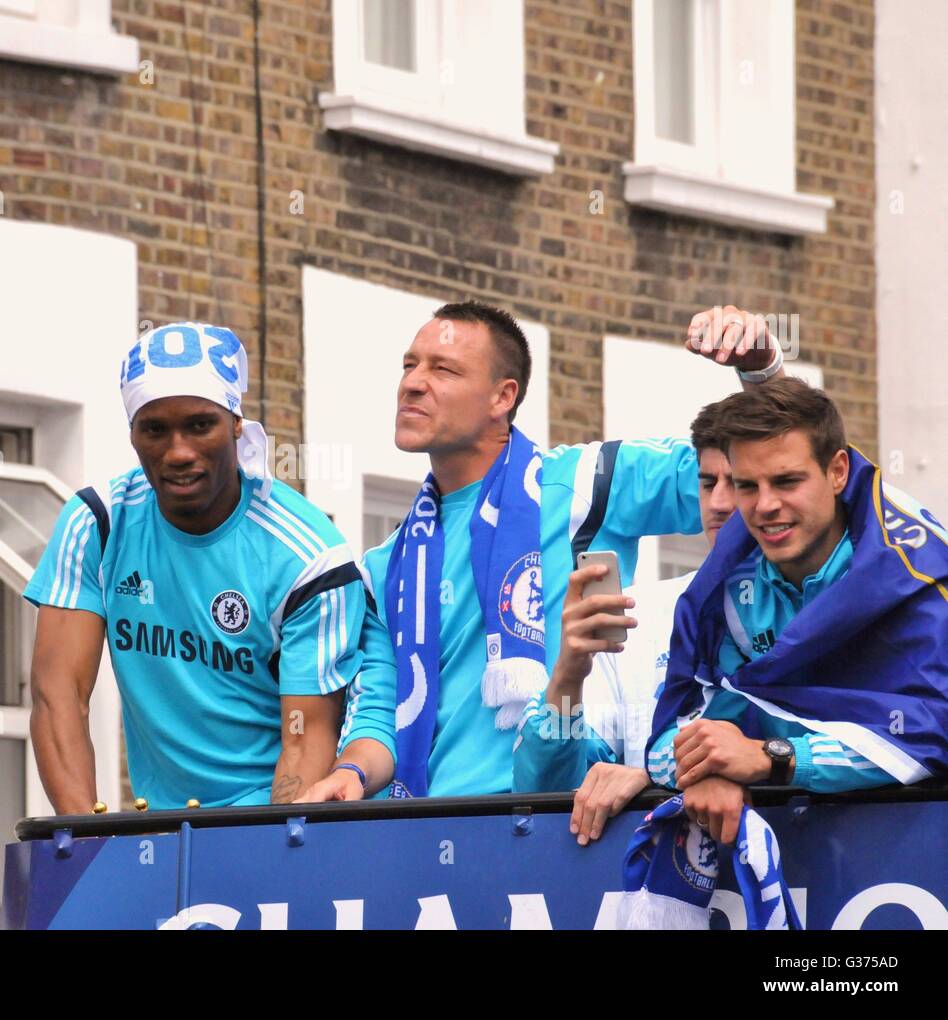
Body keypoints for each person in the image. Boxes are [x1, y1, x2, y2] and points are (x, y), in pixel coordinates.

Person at [301, 302, 786, 801]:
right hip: (424, 832)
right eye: (409, 365)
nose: (413, 383)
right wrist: (350, 774)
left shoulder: (586, 482)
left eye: (442, 369)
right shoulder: (387, 565)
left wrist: (761, 373)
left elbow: (765, 479)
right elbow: (379, 710)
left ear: (502, 397)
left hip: (560, 827)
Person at [23, 322, 395, 812]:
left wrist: (265, 847)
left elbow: (304, 739)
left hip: (270, 817)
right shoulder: (98, 523)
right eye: (154, 429)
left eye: (200, 425)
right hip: (159, 822)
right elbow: (59, 697)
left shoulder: (308, 555)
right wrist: (81, 839)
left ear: (236, 424)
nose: (178, 452)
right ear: (132, 433)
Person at [648, 378, 948, 845]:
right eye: (748, 486)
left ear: (838, 471)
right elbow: (670, 732)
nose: (765, 506)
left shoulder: (917, 576)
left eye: (787, 481)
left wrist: (774, 757)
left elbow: (932, 731)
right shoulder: (718, 584)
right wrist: (704, 769)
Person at [510, 400, 736, 844]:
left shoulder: (827, 606)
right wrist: (568, 677)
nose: (720, 503)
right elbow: (543, 793)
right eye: (708, 483)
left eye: (739, 483)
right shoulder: (640, 613)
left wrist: (654, 783)